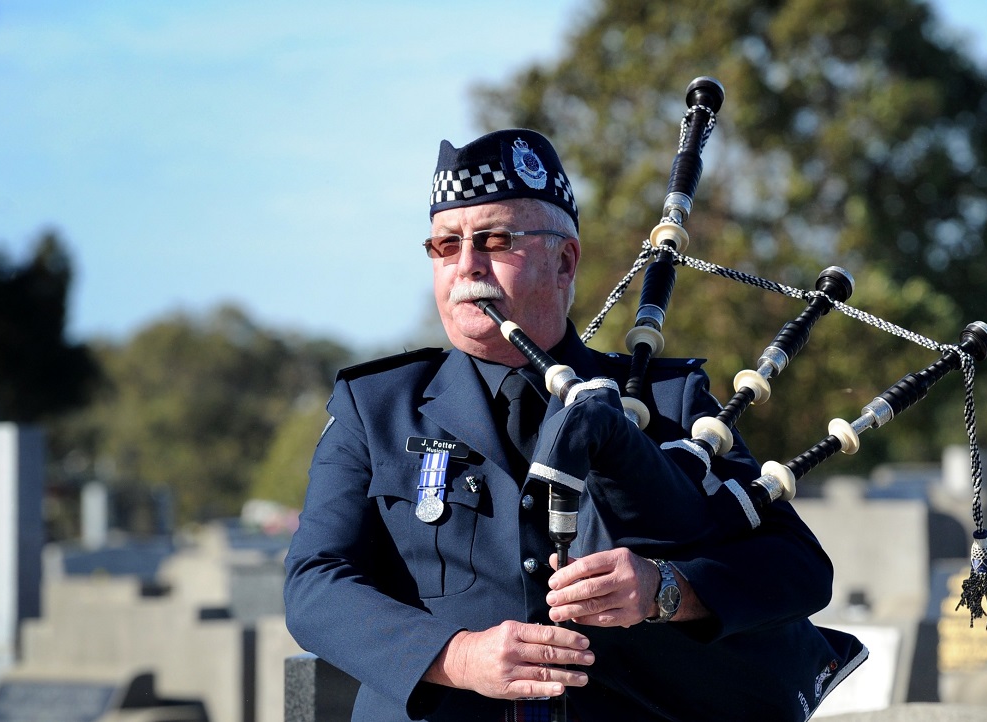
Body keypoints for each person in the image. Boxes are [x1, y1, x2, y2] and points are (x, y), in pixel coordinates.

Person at [285, 129, 862, 722]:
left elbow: (798, 569)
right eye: (445, 245)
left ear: (564, 262)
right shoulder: (376, 407)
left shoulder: (666, 401)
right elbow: (314, 584)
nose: (466, 266)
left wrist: (665, 589)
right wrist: (458, 657)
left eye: (494, 240)